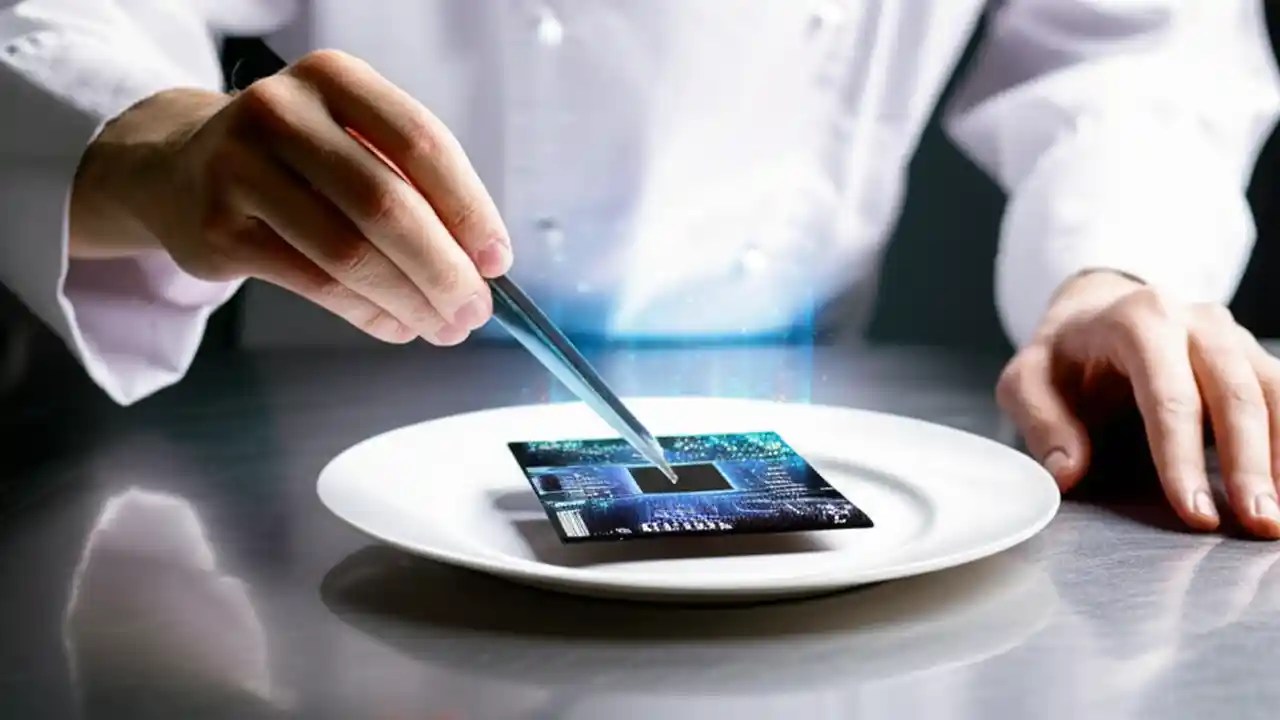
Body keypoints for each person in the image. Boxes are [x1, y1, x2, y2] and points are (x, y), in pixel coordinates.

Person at [2, 1, 1278, 537]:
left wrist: (1115, 268)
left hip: (827, 430)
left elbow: (1135, 44)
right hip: (326, 483)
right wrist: (147, 145)